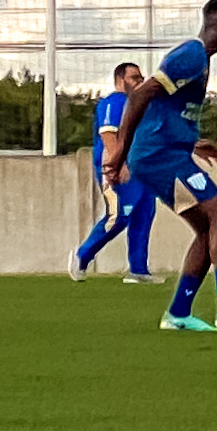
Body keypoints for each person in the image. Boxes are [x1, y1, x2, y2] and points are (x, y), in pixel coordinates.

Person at [101, 0, 217, 332]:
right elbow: (141, 95)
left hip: (166, 154)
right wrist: (121, 149)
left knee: (208, 227)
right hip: (160, 158)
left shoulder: (200, 60)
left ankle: (179, 313)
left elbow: (164, 110)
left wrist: (194, 141)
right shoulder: (192, 54)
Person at [71, 62, 160, 283]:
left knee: (144, 213)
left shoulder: (141, 105)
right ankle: (82, 255)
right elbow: (109, 135)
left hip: (141, 170)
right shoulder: (114, 102)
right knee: (119, 216)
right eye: (133, 77)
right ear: (120, 80)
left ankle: (138, 270)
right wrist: (118, 165)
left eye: (140, 77)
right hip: (118, 170)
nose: (140, 80)